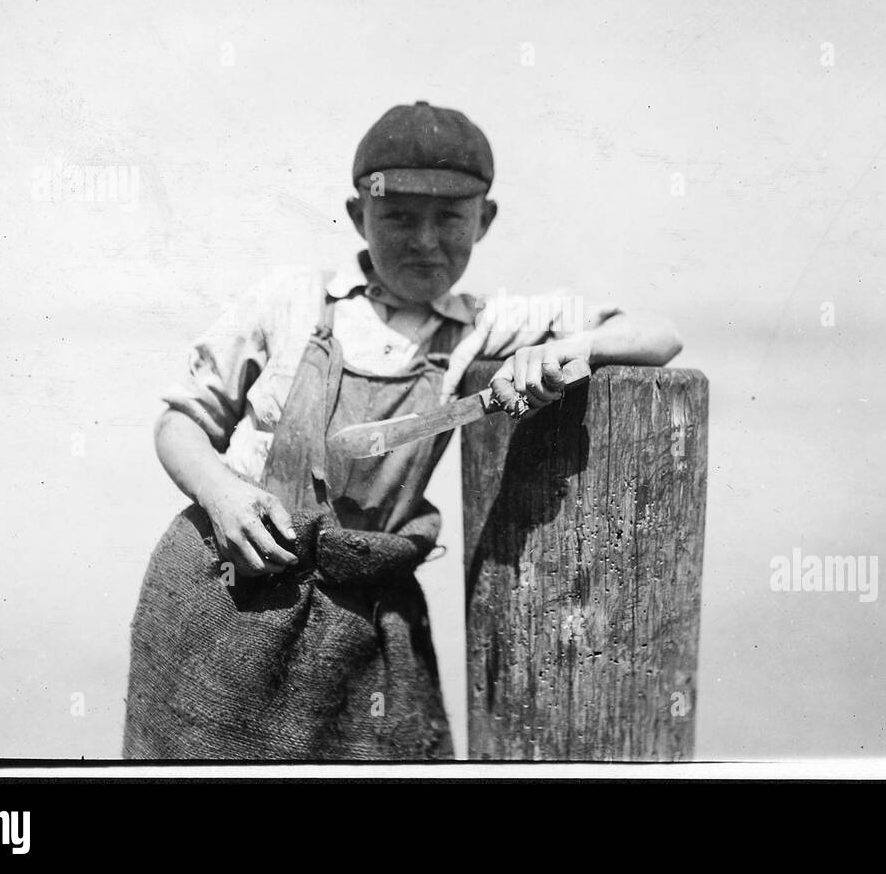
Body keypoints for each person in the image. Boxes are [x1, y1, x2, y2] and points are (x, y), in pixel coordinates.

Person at [122, 101, 682, 760]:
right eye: (397, 217)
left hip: (359, 619)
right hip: (225, 592)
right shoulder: (290, 300)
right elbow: (180, 421)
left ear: (486, 220)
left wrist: (574, 351)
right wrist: (224, 496)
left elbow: (660, 334)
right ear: (359, 216)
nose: (424, 242)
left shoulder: (480, 325)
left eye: (450, 218)